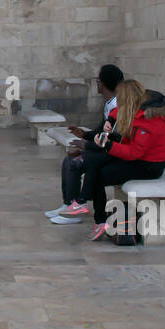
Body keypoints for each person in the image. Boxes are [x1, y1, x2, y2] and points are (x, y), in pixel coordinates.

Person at [76, 84, 165, 240]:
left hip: (148, 166)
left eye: (121, 98)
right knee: (95, 163)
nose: (119, 102)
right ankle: (86, 206)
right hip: (138, 160)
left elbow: (133, 152)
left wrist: (108, 145)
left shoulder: (149, 122)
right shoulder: (140, 113)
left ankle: (94, 214)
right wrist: (110, 121)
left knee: (98, 174)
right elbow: (119, 114)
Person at [47, 64, 123, 223]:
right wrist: (85, 135)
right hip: (108, 150)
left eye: (98, 80)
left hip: (116, 154)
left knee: (74, 163)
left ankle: (75, 212)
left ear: (103, 83)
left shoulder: (117, 105)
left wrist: (85, 147)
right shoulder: (110, 102)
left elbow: (112, 138)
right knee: (69, 160)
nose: (97, 83)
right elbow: (102, 129)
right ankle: (68, 204)